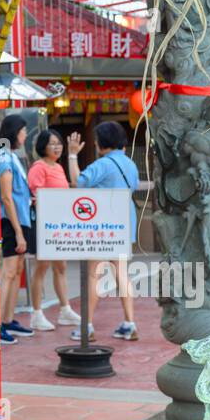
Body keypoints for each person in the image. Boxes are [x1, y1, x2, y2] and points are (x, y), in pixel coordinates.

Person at [67, 120, 141, 341]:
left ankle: (86, 326)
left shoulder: (103, 164)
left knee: (94, 274)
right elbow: (134, 186)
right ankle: (129, 323)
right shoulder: (130, 164)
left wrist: (72, 155)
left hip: (103, 224)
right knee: (121, 272)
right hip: (124, 220)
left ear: (102, 142)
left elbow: (78, 182)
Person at [27, 129, 80, 331]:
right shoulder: (39, 167)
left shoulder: (58, 167)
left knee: (61, 267)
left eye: (58, 143)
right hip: (45, 224)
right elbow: (36, 196)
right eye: (52, 143)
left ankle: (65, 310)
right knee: (42, 267)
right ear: (43, 146)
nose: (57, 147)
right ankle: (36, 314)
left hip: (59, 224)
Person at [0, 113, 35, 345]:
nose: (25, 135)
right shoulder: (3, 158)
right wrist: (18, 231)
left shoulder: (11, 156)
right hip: (11, 221)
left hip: (20, 218)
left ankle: (8, 320)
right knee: (8, 272)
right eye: (23, 131)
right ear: (14, 132)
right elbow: (6, 197)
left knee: (16, 270)